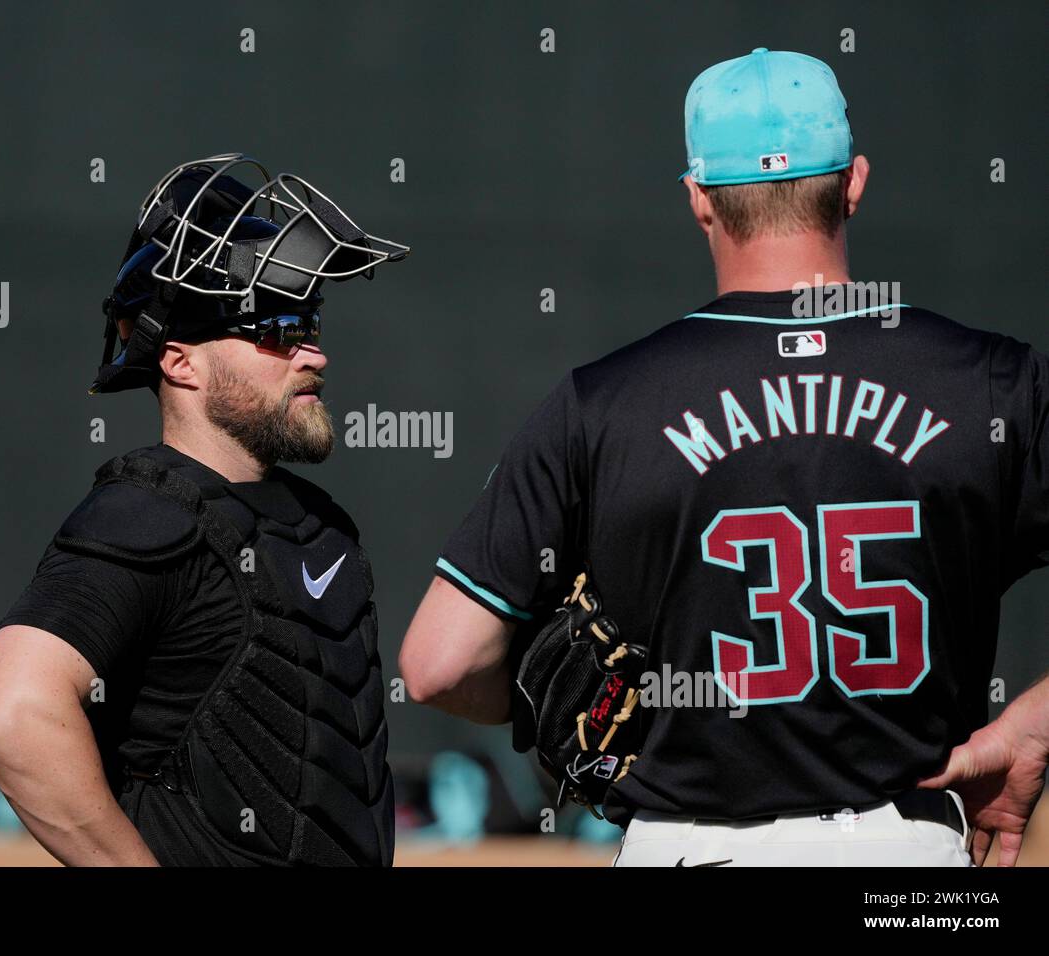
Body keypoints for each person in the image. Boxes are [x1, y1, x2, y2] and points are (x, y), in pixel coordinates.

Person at [398, 49, 1048, 866]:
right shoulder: (992, 382)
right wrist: (1032, 727)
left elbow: (435, 665)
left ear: (699, 199)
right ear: (853, 182)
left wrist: (564, 708)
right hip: (906, 851)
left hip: (687, 847)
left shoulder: (603, 404)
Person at [0, 154, 408, 866]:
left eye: (312, 324)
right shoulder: (144, 512)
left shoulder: (322, 527)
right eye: (276, 328)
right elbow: (10, 713)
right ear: (181, 363)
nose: (313, 356)